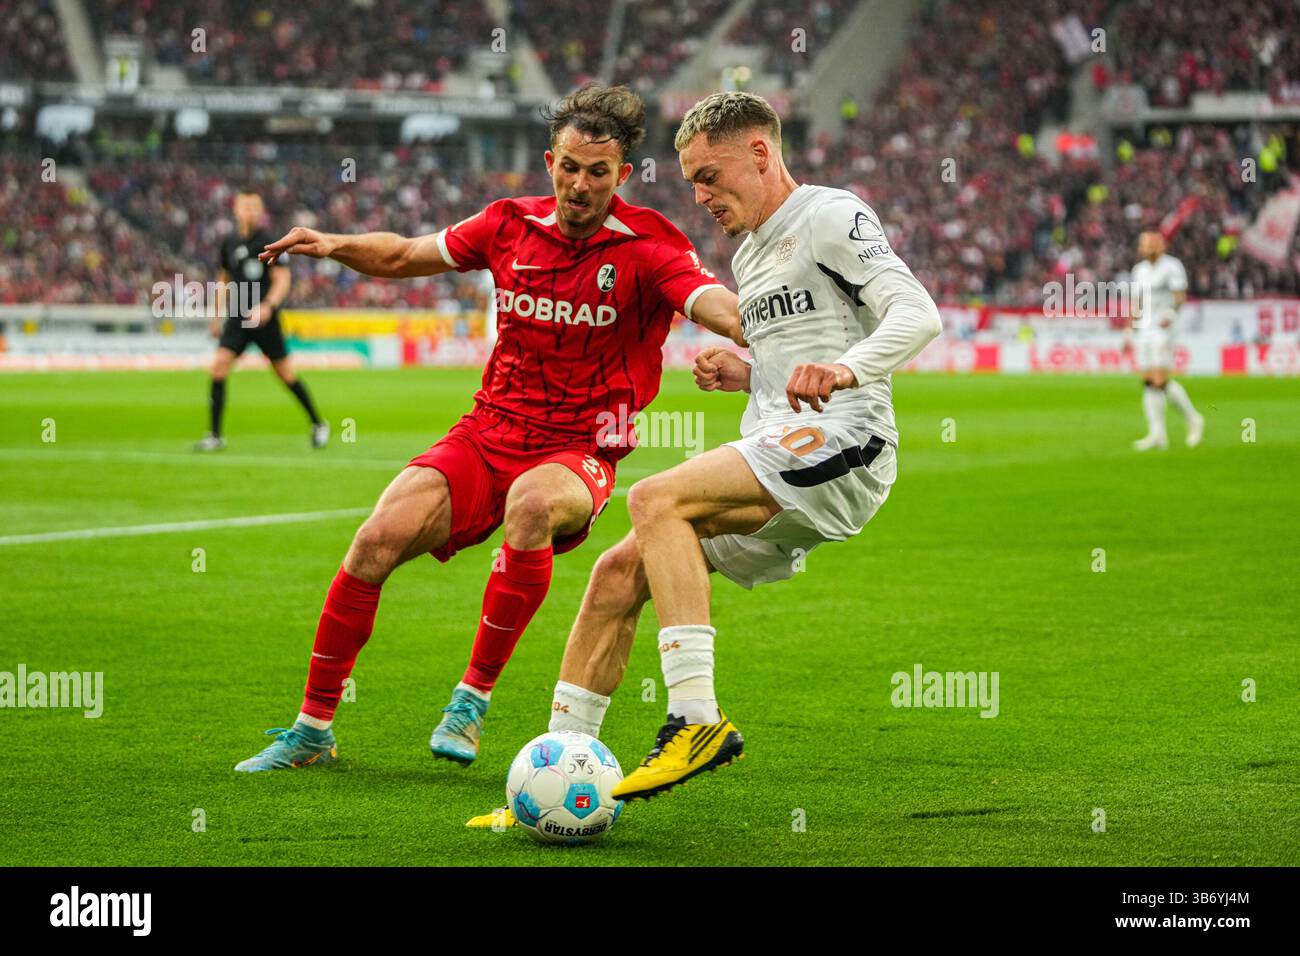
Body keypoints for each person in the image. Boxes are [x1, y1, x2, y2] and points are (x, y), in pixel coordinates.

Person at [233, 85, 742, 773]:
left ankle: (471, 701)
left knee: (531, 507)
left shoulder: (649, 245)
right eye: (568, 167)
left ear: (623, 176)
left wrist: (776, 333)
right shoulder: (507, 225)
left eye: (598, 172)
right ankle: (312, 729)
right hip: (487, 431)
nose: (579, 184)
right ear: (549, 162)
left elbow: (708, 301)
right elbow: (404, 256)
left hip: (578, 451)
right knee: (374, 540)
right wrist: (330, 244)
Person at [468, 90, 942, 826]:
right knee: (616, 572)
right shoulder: (751, 251)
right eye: (691, 181)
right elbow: (797, 360)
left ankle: (695, 719)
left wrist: (848, 369)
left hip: (848, 442)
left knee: (654, 499)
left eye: (710, 176)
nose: (700, 196)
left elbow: (918, 312)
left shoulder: (829, 214)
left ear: (760, 153)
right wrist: (750, 374)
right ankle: (558, 772)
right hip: (787, 438)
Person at [195, 190, 329, 452]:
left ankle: (318, 423)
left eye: (255, 207)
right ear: (236, 209)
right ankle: (215, 435)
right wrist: (216, 316)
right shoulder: (229, 242)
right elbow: (223, 280)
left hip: (265, 319)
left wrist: (267, 306)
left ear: (261, 211)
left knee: (285, 373)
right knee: (219, 366)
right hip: (238, 316)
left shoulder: (270, 241)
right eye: (245, 207)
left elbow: (282, 280)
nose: (250, 212)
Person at [1129, 231, 1204, 451]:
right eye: (1144, 243)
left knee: (1159, 379)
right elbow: (1137, 301)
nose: (1147, 247)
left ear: (1161, 245)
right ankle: (1157, 434)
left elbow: (1179, 296)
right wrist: (1129, 329)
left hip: (1165, 329)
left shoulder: (1172, 266)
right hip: (1143, 329)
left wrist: (1170, 315)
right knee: (1148, 381)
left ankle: (1193, 418)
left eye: (1151, 243)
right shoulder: (1139, 270)